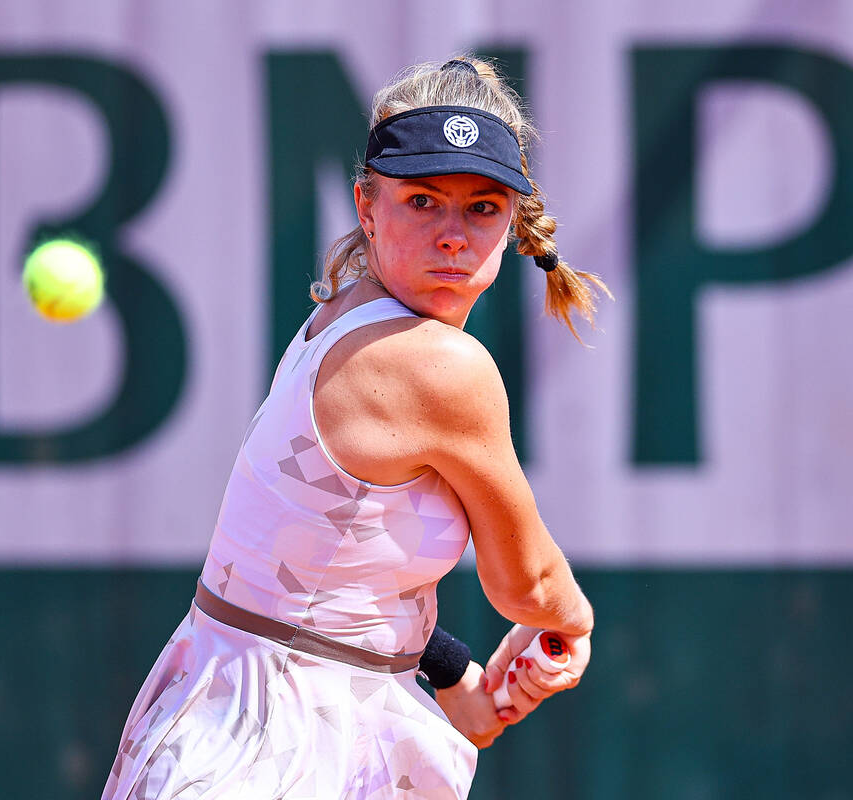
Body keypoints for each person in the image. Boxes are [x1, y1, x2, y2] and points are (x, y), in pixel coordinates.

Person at [102, 56, 607, 799]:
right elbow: (528, 584)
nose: (453, 235)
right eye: (423, 201)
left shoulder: (337, 316)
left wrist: (450, 668)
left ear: (512, 226)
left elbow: (315, 564)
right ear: (367, 207)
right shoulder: (440, 366)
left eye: (482, 208)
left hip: (235, 721)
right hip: (271, 751)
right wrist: (573, 621)